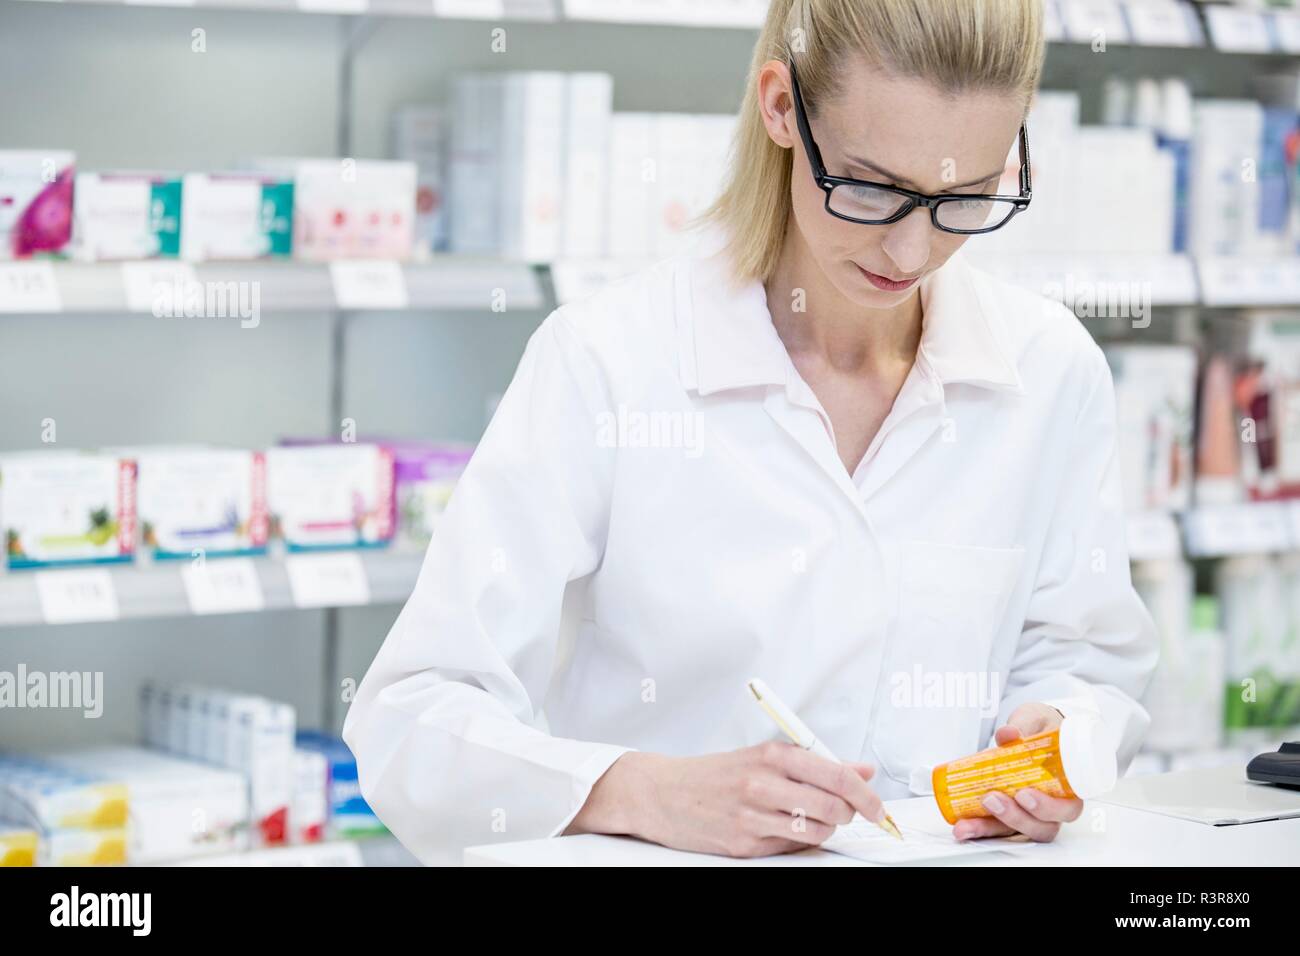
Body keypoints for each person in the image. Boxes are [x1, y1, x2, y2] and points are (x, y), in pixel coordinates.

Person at [344, 0, 1158, 865]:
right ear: (781, 106)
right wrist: (642, 791)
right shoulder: (610, 360)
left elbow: (1091, 664)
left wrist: (1059, 740)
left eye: (965, 196)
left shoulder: (1048, 370)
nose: (913, 252)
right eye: (874, 187)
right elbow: (410, 720)